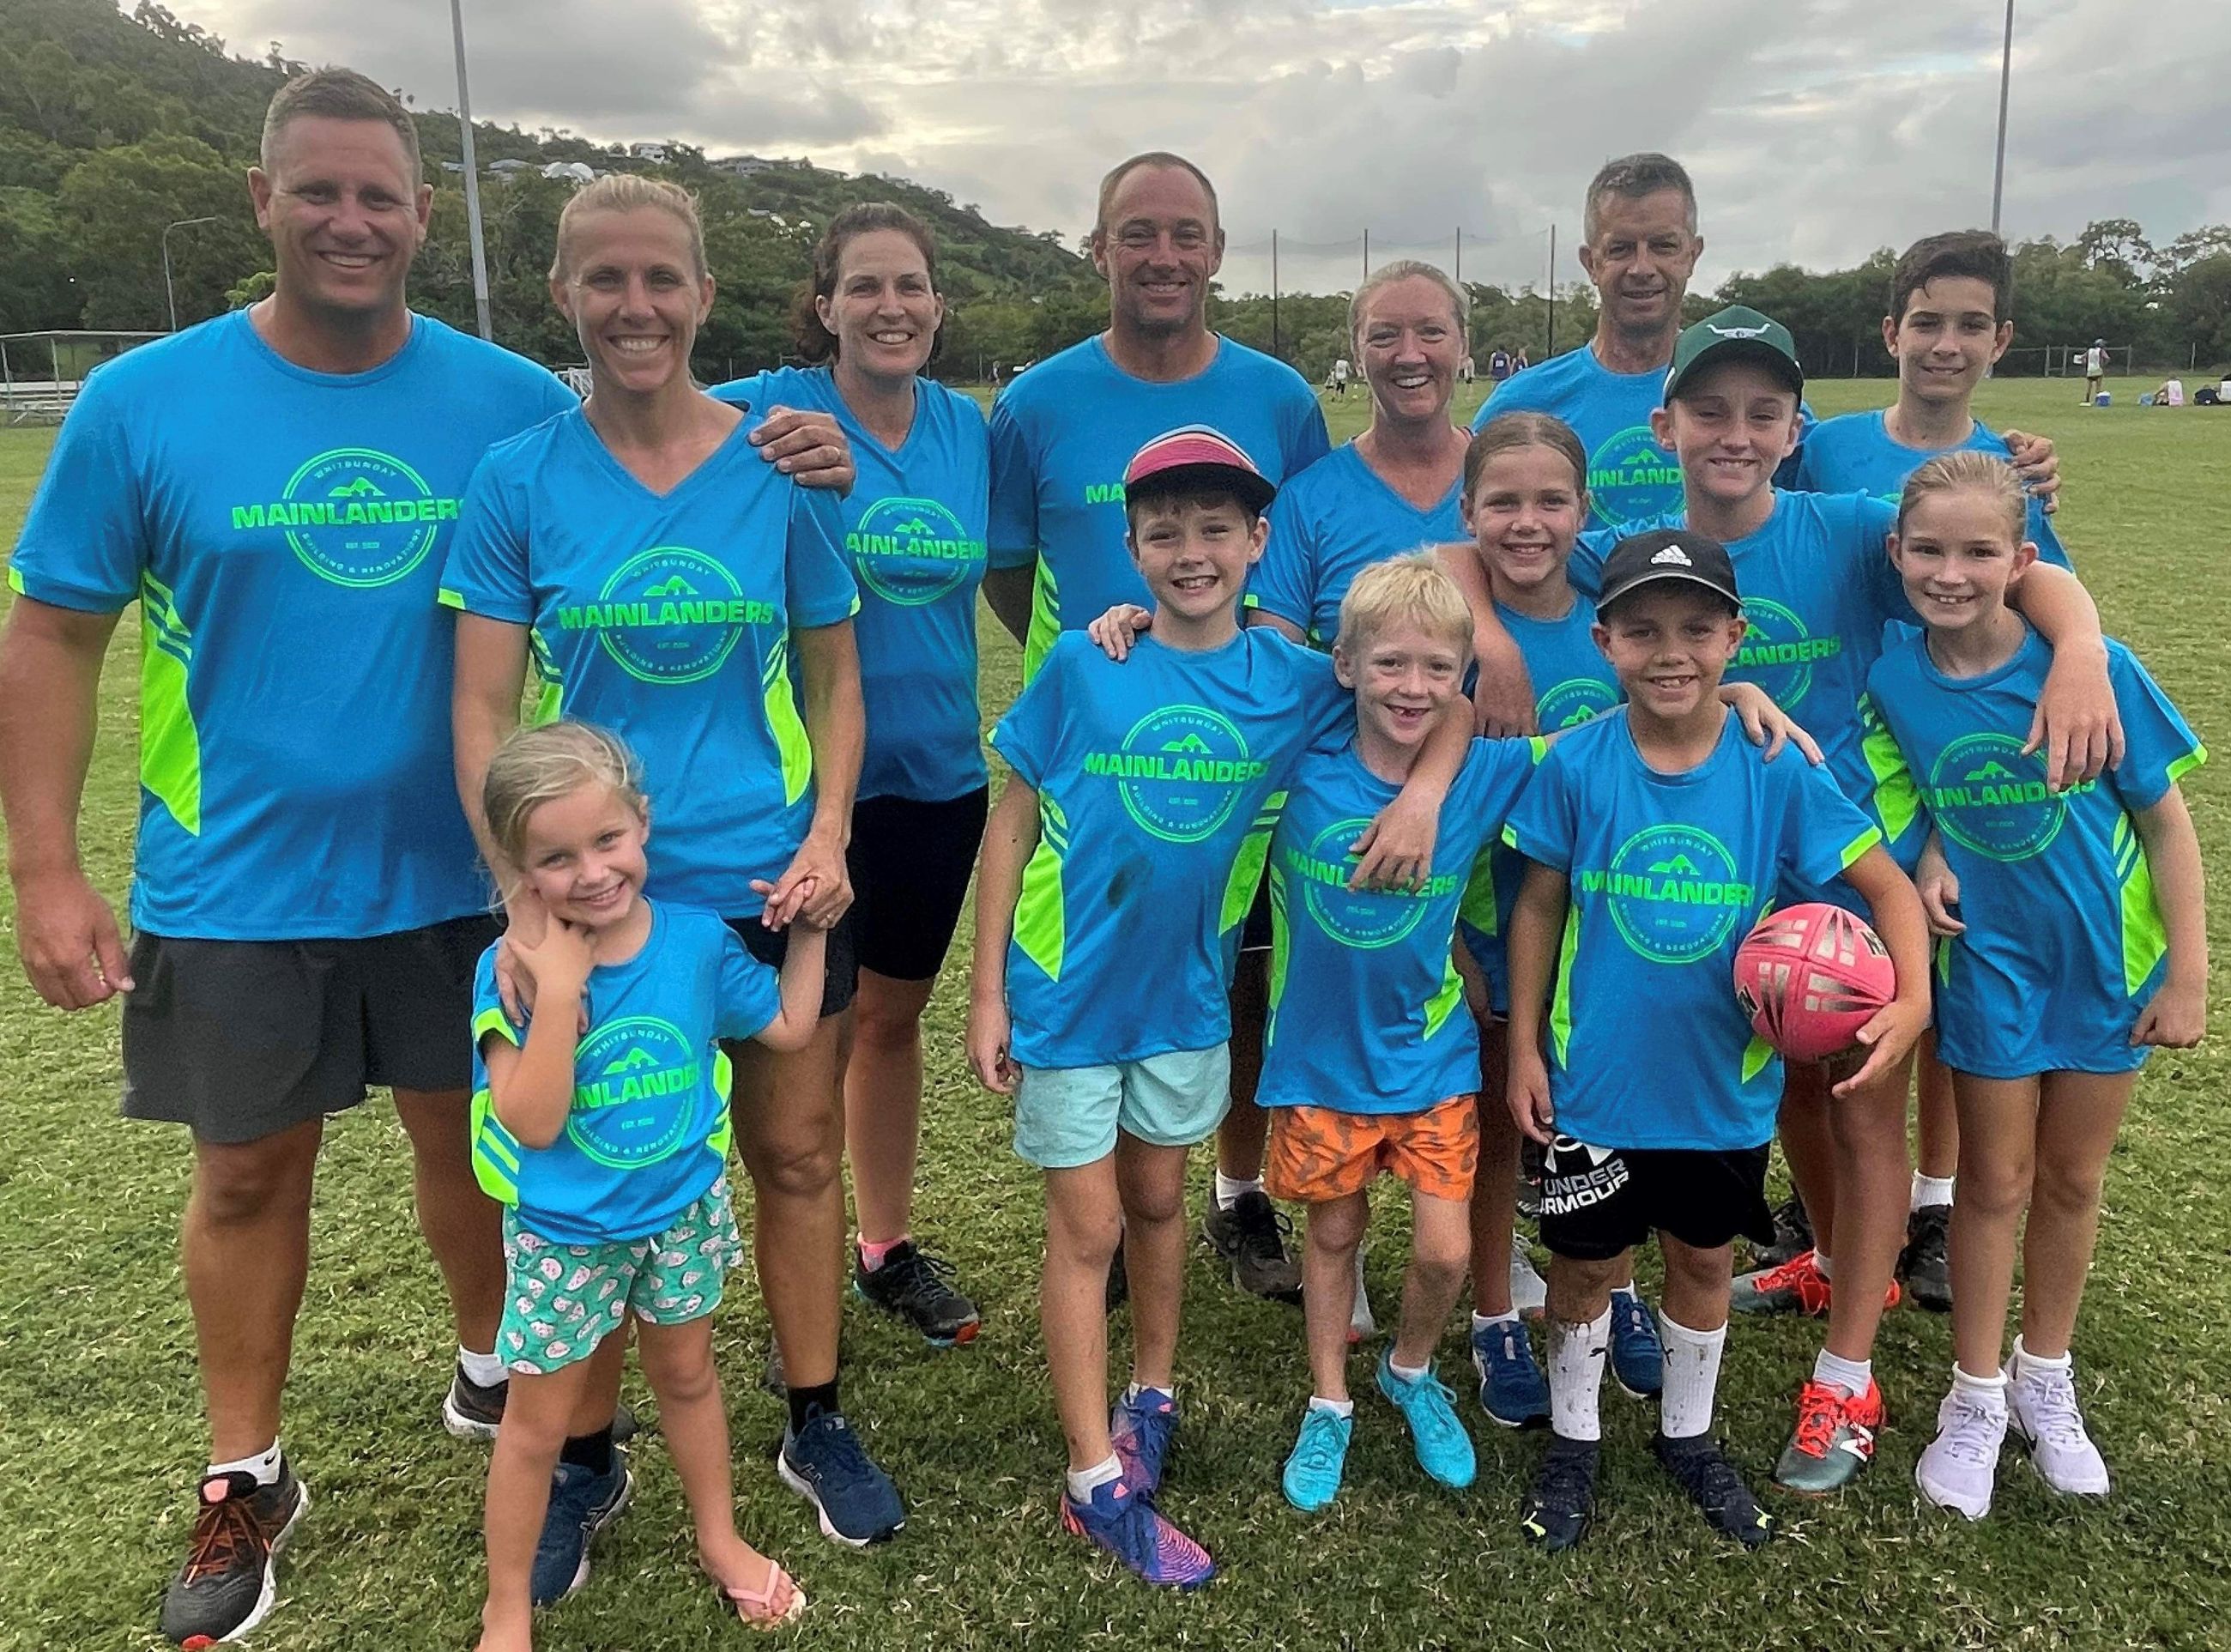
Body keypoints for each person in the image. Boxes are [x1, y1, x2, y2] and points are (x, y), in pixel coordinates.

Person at [0, 70, 571, 1648]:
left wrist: (792, 440)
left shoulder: (514, 400)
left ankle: (494, 1372)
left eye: (379, 194)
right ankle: (246, 1472)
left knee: (483, 1146)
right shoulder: (144, 402)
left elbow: (647, 502)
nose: (350, 220)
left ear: (421, 214)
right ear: (263, 199)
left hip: (465, 871)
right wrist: (43, 872)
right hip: (237, 878)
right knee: (247, 1172)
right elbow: (53, 636)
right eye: (319, 190)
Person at [1442, 305, 2123, 1496]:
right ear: (1665, 425)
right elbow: (1477, 551)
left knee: (1860, 1113)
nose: (1735, 432)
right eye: (1708, 409)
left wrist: (2080, 648)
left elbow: (2005, 560)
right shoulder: (1629, 547)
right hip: (1717, 895)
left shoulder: (1849, 526)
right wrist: (1504, 641)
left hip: (1839, 881)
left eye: (1763, 412)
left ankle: (1845, 1374)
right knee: (1778, 1099)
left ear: (1795, 429)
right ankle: (1807, 1264)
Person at [444, 175, 907, 1562]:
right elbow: (481, 708)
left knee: (796, 1154)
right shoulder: (518, 479)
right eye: (606, 278)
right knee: (591, 1175)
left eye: (662, 279)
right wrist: (524, 901)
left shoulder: (779, 467)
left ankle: (815, 1415)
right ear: (563, 295)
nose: (635, 305)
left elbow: (837, 677)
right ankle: (585, 1458)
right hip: (594, 900)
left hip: (763, 880)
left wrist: (828, 835)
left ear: (704, 295)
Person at [966, 427, 1468, 1585]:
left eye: (1214, 530)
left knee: (1157, 1201)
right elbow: (1013, 818)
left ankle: (1151, 1394)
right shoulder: (1087, 662)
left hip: (1187, 999)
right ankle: (1093, 1479)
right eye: (1163, 532)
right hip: (1066, 995)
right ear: (1132, 546)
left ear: (1256, 541)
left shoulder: (1292, 680)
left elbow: (1432, 692)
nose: (1189, 552)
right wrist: (987, 990)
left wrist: (1430, 791)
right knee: (1087, 1228)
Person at [1503, 528, 1932, 1552]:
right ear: (1603, 640)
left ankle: (1686, 1434)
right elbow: (1537, 905)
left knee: (1701, 1257)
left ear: (1733, 637)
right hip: (1592, 1079)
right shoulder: (1575, 762)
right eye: (1642, 630)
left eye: (1696, 629)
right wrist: (1521, 1043)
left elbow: (1885, 886)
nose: (1670, 652)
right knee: (1583, 1266)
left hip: (1717, 1085)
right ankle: (1573, 1440)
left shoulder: (1771, 766)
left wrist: (1911, 996)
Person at [984, 152, 1332, 1300]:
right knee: (1105, 959)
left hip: (1237, 733)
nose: (1164, 254)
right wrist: (1110, 652)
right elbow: (1007, 565)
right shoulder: (1037, 402)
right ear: (1099, 248)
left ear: (1217, 251)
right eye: (1138, 232)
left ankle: (1237, 1192)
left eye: (1187, 233)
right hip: (1101, 744)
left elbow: (1301, 552)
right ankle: (1124, 1217)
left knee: (1233, 965)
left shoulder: (1279, 397)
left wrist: (1226, 662)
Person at [1859, 453, 2208, 1520]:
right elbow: (1906, 792)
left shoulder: (2089, 668)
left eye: (1976, 551)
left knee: (2068, 1180)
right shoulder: (1893, 678)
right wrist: (1926, 853)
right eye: (1927, 549)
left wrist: (2188, 970)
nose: (1948, 572)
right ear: (1895, 553)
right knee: (1990, 1184)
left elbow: (2164, 825)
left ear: (2020, 559)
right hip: (1989, 970)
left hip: (2102, 970)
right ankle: (1972, 1394)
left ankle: (2042, 1373)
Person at [469, 722, 823, 1648]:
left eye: (608, 839)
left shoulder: (696, 941)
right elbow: (533, 1119)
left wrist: (813, 929)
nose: (591, 872)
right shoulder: (509, 973)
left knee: (689, 1378)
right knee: (535, 1426)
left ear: (643, 823)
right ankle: (506, 1607)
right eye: (556, 857)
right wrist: (558, 991)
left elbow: (789, 1026)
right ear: (519, 868)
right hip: (565, 1237)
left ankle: (720, 1539)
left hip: (682, 1216)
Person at [712, 203, 989, 1349]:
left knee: (889, 1021)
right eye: (864, 286)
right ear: (822, 305)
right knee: (803, 1037)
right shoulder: (764, 407)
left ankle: (883, 1247)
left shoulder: (967, 430)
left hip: (937, 776)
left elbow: (1009, 569)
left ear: (937, 305)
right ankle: (794, 1261)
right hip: (807, 787)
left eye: (910, 286)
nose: (890, 307)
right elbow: (643, 436)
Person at [1792, 229, 2071, 1311]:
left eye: (1968, 324)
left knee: (1948, 995)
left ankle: (1936, 1200)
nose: (1944, 343)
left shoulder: (2005, 467)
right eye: (1926, 321)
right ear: (1889, 332)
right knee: (1849, 1001)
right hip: (1859, 745)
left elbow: (2037, 590)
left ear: (2000, 339)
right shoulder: (1827, 449)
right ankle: (1839, 1215)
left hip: (1952, 766)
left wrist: (2084, 649)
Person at [1264, 555, 1539, 1513]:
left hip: (1430, 1058)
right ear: (1344, 664)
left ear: (1461, 675)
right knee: (1333, 1231)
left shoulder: (1478, 777)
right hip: (1319, 1063)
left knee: (1443, 1252)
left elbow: (1608, 748)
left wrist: (1735, 693)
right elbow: (1206, 681)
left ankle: (1410, 1368)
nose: (1411, 687)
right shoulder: (1298, 762)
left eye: (1436, 668)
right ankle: (1328, 1399)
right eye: (1388, 663)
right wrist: (1121, 624)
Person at [2083, 339, 2108, 405]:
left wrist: (2086, 363)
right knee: (2098, 387)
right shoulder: (2101, 351)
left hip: (2090, 370)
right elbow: (2107, 358)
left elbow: (2083, 357)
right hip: (2098, 370)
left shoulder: (2089, 350)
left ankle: (2087, 400)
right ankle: (2097, 401)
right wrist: (2104, 364)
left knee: (2089, 387)